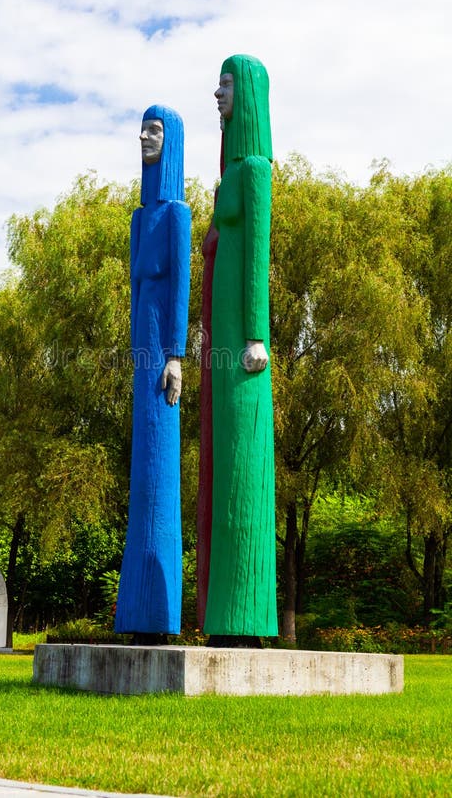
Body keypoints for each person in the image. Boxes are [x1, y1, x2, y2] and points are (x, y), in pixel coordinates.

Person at [203, 55, 278, 643]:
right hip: (222, 329)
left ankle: (247, 616)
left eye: (226, 85)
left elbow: (258, 255)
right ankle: (223, 613)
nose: (217, 93)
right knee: (224, 451)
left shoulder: (255, 169)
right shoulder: (229, 171)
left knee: (243, 455)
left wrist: (256, 335)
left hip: (243, 336)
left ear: (247, 94)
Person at [114, 105, 191, 641]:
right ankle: (134, 611)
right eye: (142, 129)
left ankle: (160, 614)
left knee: (160, 476)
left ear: (172, 142)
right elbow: (137, 290)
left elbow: (181, 287)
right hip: (142, 352)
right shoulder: (140, 219)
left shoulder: (177, 215)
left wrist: (175, 356)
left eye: (156, 130)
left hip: (162, 356)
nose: (145, 137)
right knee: (141, 476)